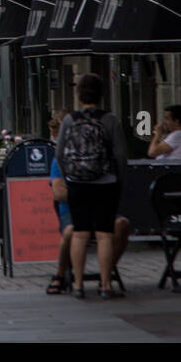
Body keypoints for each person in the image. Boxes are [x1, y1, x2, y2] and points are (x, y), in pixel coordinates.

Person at [56, 72, 130, 299]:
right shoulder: (110, 120)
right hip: (105, 182)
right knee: (104, 234)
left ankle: (78, 285)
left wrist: (70, 175)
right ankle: (105, 285)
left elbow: (59, 153)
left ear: (79, 95)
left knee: (80, 234)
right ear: (102, 95)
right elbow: (120, 154)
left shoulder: (70, 121)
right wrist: (117, 177)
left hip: (77, 183)